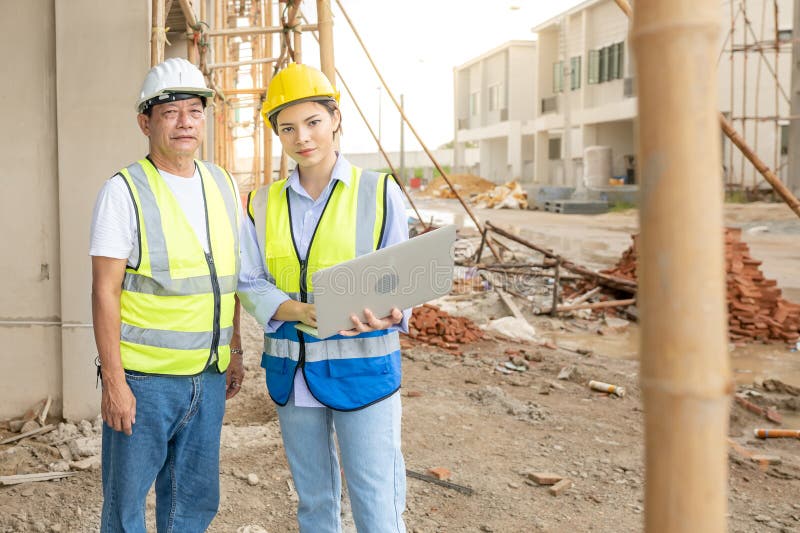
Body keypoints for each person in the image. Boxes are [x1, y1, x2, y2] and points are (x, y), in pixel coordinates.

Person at [238, 63, 409, 533]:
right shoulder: (260, 202)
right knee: (314, 504)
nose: (303, 137)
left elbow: (405, 277)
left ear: (335, 119)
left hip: (363, 369)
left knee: (377, 504)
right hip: (293, 372)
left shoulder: (378, 192)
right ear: (277, 133)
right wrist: (295, 310)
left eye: (313, 122)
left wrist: (396, 311)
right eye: (288, 127)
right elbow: (248, 279)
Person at [90, 57, 244, 532]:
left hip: (209, 375)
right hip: (145, 382)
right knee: (126, 507)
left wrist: (235, 349)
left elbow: (231, 277)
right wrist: (114, 382)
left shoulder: (223, 184)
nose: (185, 123)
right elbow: (104, 290)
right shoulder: (124, 191)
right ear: (146, 121)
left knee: (193, 505)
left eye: (194, 111)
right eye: (171, 112)